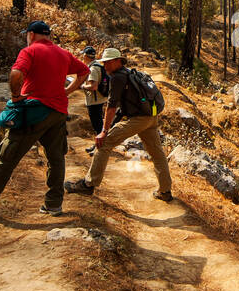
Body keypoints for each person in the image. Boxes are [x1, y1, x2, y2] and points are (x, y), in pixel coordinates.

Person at [0, 21, 89, 220]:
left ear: (30, 34)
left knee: (6, 157)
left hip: (34, 113)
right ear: (48, 35)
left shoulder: (29, 52)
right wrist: (68, 91)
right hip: (58, 112)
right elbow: (84, 72)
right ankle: (53, 204)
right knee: (56, 158)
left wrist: (15, 96)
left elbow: (16, 74)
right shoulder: (63, 53)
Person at [64, 48, 172, 202]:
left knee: (104, 143)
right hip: (151, 117)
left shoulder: (117, 78)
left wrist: (104, 130)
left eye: (107, 62)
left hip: (139, 119)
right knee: (157, 153)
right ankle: (165, 191)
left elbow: (112, 106)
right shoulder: (128, 73)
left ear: (117, 61)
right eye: (104, 62)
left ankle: (89, 184)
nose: (105, 65)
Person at [73, 46, 109, 151]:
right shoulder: (97, 65)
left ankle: (101, 147)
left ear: (85, 55)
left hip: (94, 101)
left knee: (97, 125)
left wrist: (82, 86)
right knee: (99, 123)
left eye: (82, 54)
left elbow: (94, 86)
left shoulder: (93, 68)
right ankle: (99, 145)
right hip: (100, 99)